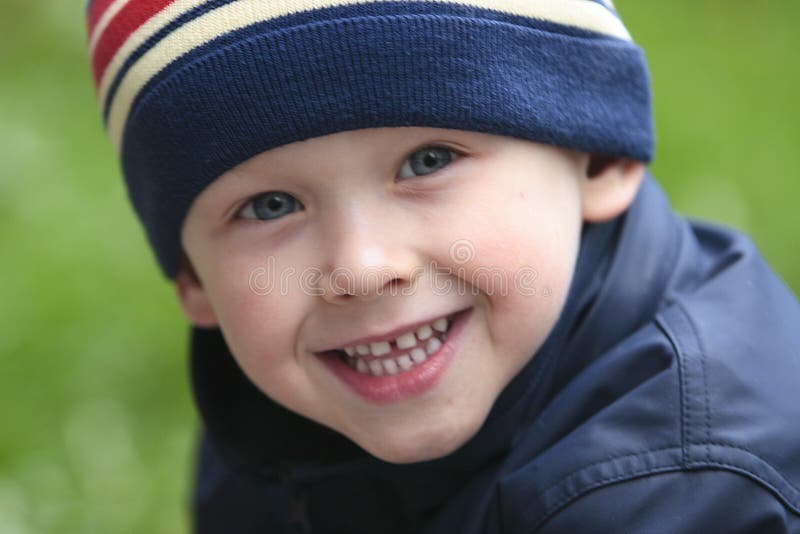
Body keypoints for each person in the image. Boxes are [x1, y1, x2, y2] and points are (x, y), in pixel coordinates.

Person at [85, 1, 800, 532]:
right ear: (192, 279)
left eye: (427, 162)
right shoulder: (275, 419)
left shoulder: (681, 492)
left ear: (602, 159)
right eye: (271, 205)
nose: (361, 269)